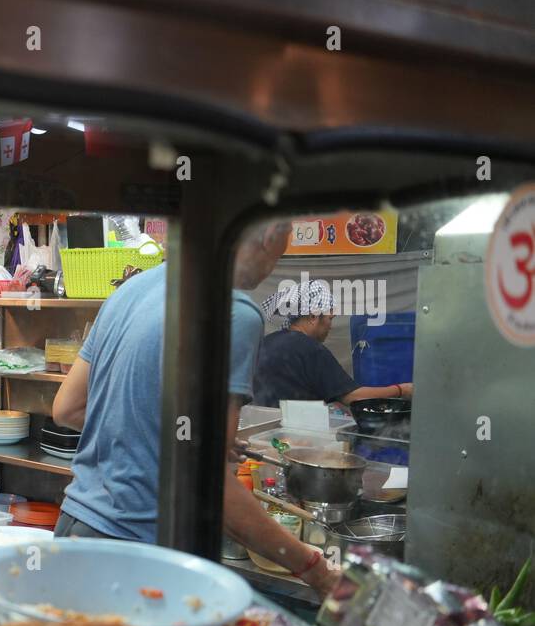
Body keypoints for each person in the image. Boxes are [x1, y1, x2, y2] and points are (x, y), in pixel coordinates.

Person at [51, 220, 339, 595]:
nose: (281, 255)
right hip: (137, 557)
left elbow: (67, 408)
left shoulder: (130, 291)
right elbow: (214, 491)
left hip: (74, 528)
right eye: (285, 241)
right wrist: (314, 569)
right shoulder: (233, 313)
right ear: (270, 235)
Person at [251, 280, 413, 408]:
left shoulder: (267, 341)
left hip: (265, 430)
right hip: (298, 434)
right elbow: (353, 397)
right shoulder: (310, 349)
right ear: (313, 317)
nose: (330, 325)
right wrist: (401, 390)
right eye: (330, 318)